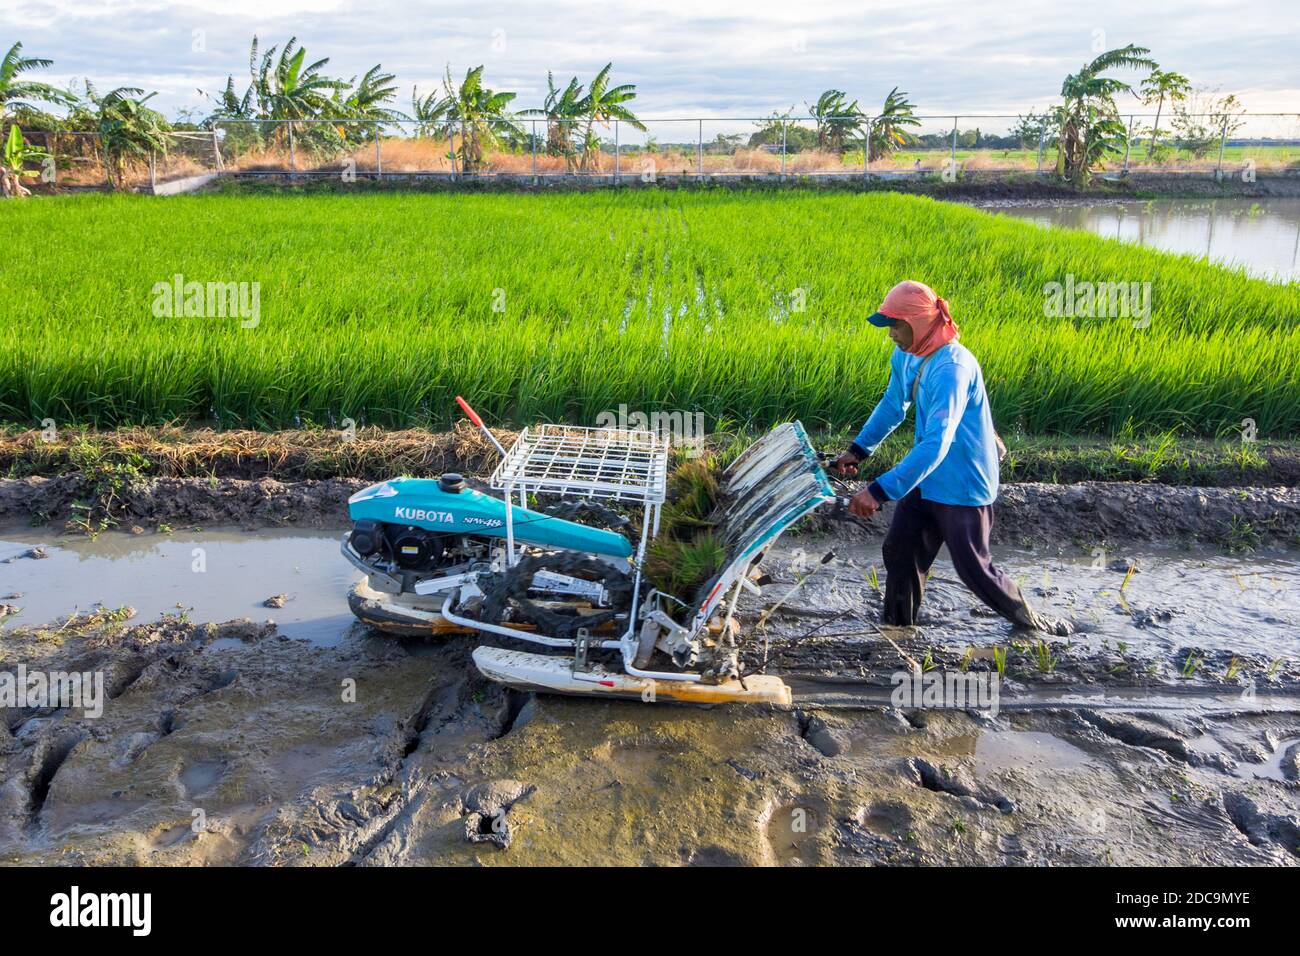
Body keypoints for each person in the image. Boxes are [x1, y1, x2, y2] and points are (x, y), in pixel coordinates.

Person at [832, 280, 1072, 635]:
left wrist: (879, 491)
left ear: (919, 323)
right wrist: (859, 450)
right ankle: (898, 628)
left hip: (963, 482)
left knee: (975, 569)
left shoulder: (952, 368)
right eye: (889, 326)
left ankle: (1035, 625)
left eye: (896, 325)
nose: (891, 335)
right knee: (901, 549)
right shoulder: (907, 354)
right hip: (926, 477)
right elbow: (893, 404)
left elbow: (936, 444)